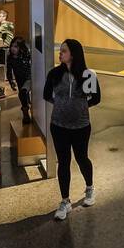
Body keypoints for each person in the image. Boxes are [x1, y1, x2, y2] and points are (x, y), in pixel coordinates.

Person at [43, 38, 100, 221]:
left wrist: (80, 107)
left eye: (64, 51)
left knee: (82, 158)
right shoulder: (54, 74)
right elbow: (46, 95)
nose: (60, 53)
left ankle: (89, 188)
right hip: (58, 126)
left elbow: (96, 98)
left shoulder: (88, 75)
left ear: (73, 54)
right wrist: (61, 106)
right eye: (60, 50)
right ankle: (65, 200)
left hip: (81, 126)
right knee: (64, 162)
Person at [6, 36, 33, 125]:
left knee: (22, 93)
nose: (13, 48)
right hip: (19, 80)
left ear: (20, 48)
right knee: (23, 96)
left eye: (16, 47)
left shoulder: (26, 55)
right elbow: (9, 71)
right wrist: (11, 82)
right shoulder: (10, 57)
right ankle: (25, 111)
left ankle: (26, 114)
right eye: (12, 46)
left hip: (28, 78)